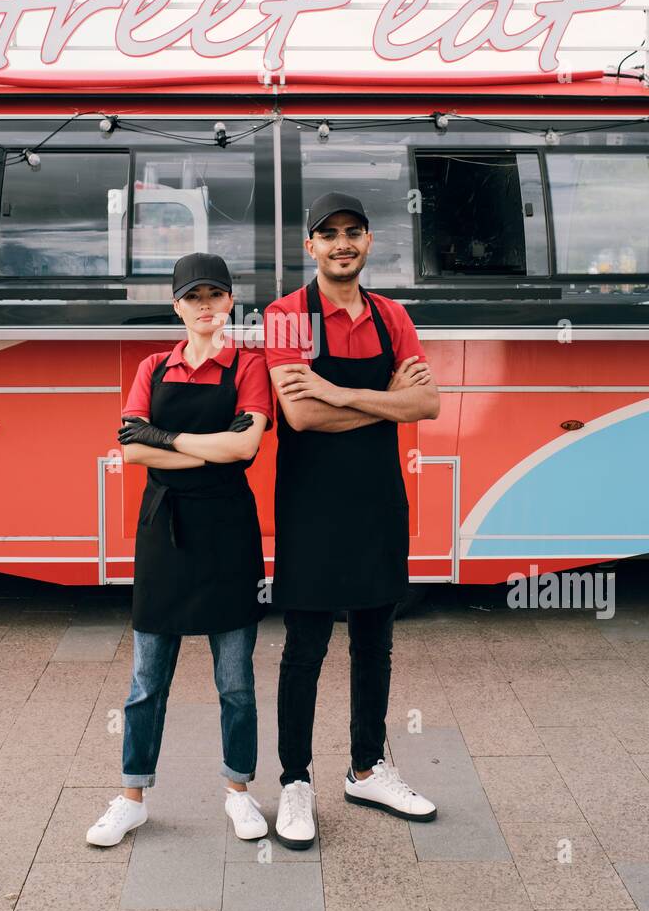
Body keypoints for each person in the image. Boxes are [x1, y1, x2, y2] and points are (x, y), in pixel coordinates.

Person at [264, 193, 441, 849]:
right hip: (310, 503)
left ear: (369, 243)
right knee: (303, 648)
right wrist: (386, 400)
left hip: (377, 500)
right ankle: (294, 783)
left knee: (376, 639)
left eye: (354, 233)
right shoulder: (284, 318)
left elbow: (428, 403)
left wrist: (340, 392)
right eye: (329, 234)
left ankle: (368, 767)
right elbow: (301, 416)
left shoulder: (392, 315)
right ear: (310, 246)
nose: (342, 243)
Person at [86, 252, 273, 848]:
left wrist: (166, 438)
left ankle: (239, 793)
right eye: (194, 298)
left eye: (216, 296)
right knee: (146, 682)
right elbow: (131, 452)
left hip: (227, 533)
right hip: (163, 533)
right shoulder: (152, 365)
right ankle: (132, 796)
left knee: (235, 681)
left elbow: (246, 447)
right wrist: (204, 448)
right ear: (177, 307)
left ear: (229, 303)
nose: (206, 307)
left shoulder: (250, 363)